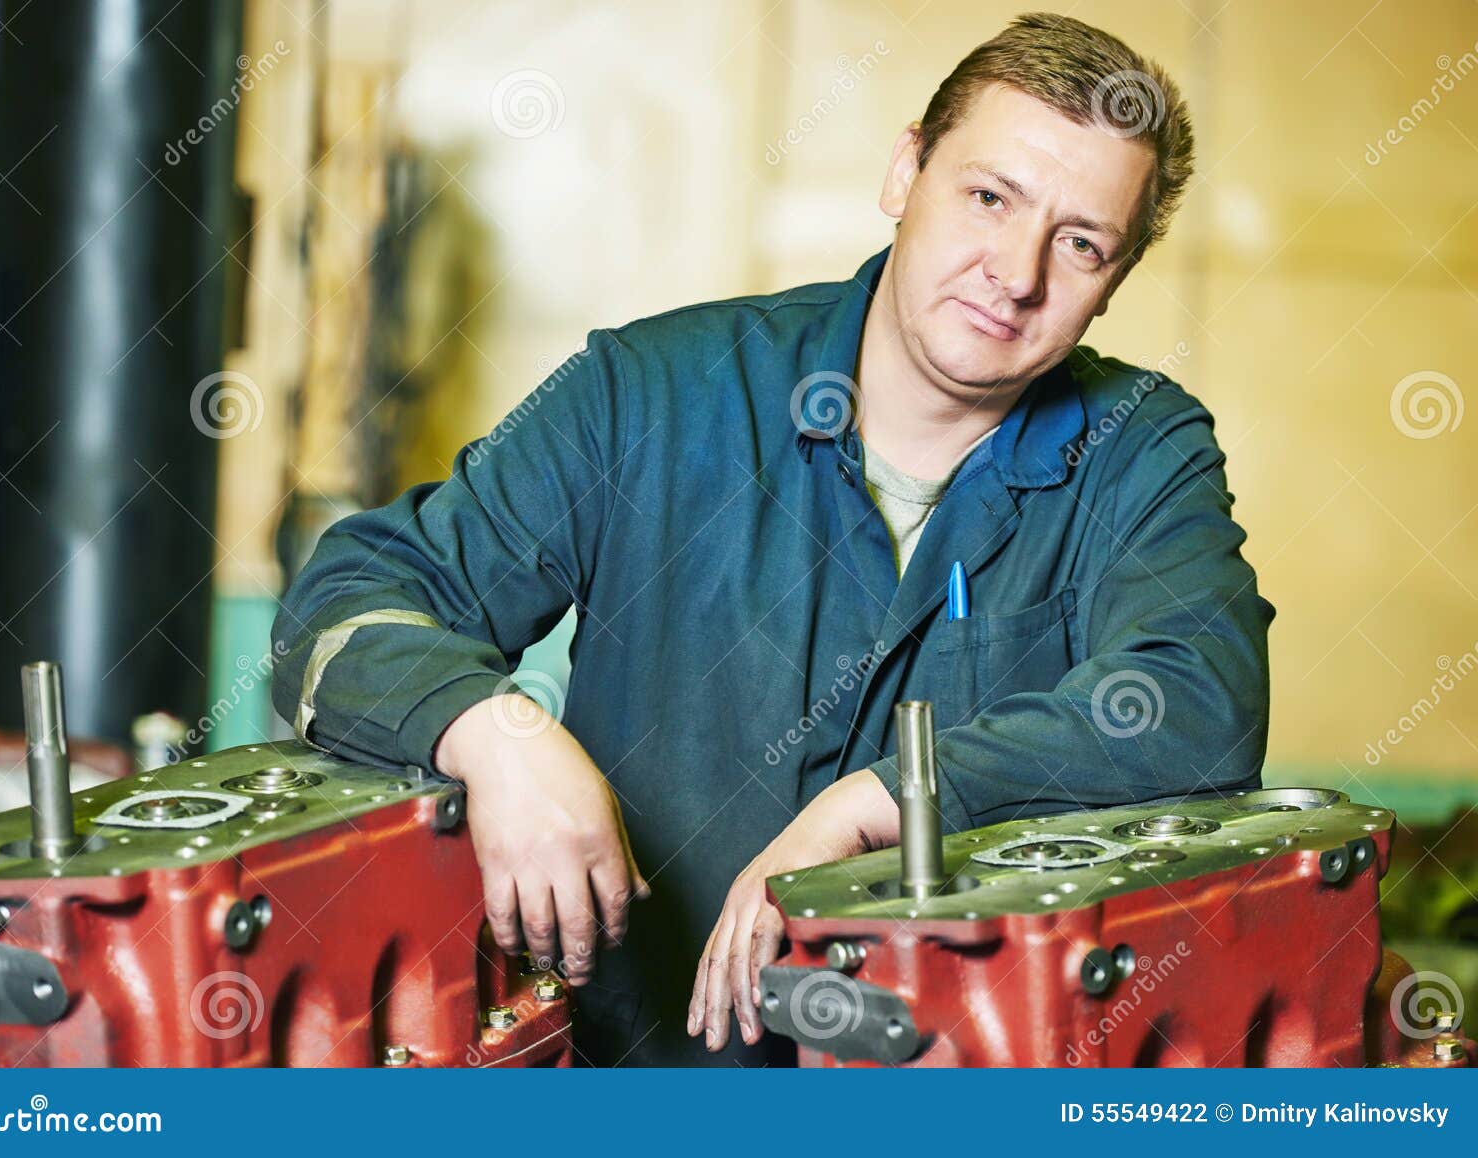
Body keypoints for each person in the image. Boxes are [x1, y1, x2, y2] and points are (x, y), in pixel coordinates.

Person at [270, 12, 1273, 1066]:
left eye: (1080, 244)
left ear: (1115, 280)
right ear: (906, 171)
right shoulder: (650, 396)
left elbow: (1200, 704)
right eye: (989, 197)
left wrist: (884, 804)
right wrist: (493, 733)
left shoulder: (1139, 452)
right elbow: (348, 598)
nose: (1016, 273)